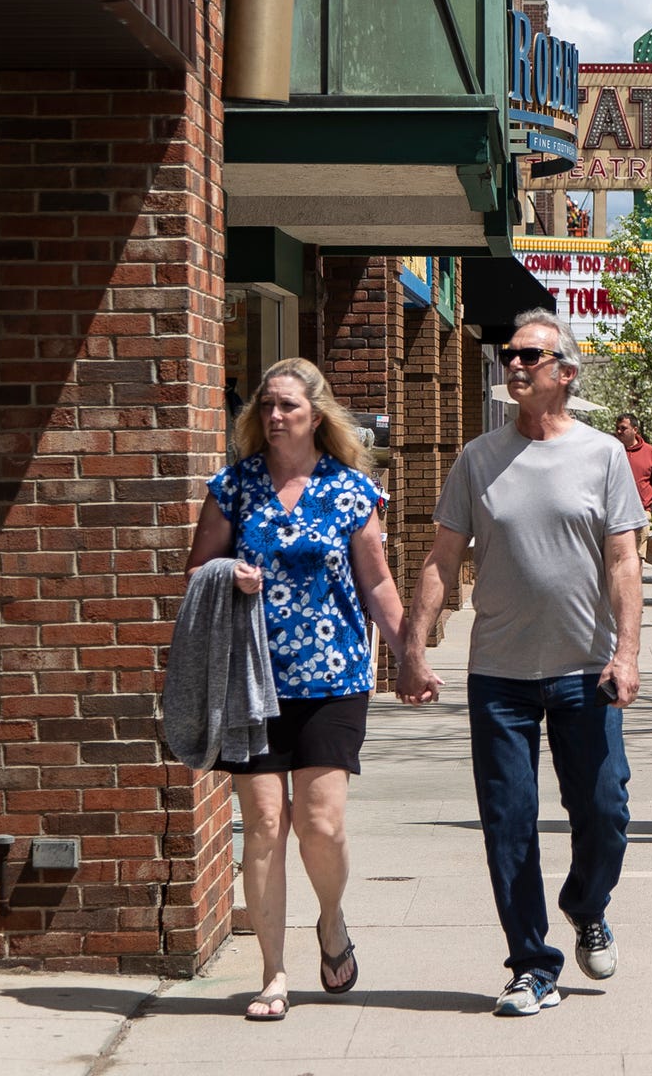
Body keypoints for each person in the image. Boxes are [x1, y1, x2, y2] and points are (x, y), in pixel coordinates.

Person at [396, 310, 644, 1018]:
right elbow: (442, 559)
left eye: (530, 355)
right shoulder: (477, 458)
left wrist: (627, 654)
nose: (515, 364)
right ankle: (532, 965)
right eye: (509, 354)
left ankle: (585, 903)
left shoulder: (602, 456)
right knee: (509, 821)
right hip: (499, 675)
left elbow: (624, 561)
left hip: (585, 668)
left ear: (565, 371)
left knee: (605, 811)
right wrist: (413, 648)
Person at [184, 359, 410, 1023]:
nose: (275, 416)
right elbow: (197, 569)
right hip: (251, 680)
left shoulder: (350, 492)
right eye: (267, 406)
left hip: (334, 677)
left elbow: (376, 584)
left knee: (320, 823)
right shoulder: (233, 487)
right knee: (263, 826)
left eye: (287, 405)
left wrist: (408, 658)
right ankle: (274, 973)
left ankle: (332, 921)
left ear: (317, 414)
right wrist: (230, 574)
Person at [617, 414, 652, 564]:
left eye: (623, 428)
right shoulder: (612, 450)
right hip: (615, 512)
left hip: (640, 512)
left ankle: (633, 586)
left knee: (636, 557)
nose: (619, 431)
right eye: (617, 428)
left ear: (635, 429)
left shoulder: (650, 452)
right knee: (616, 557)